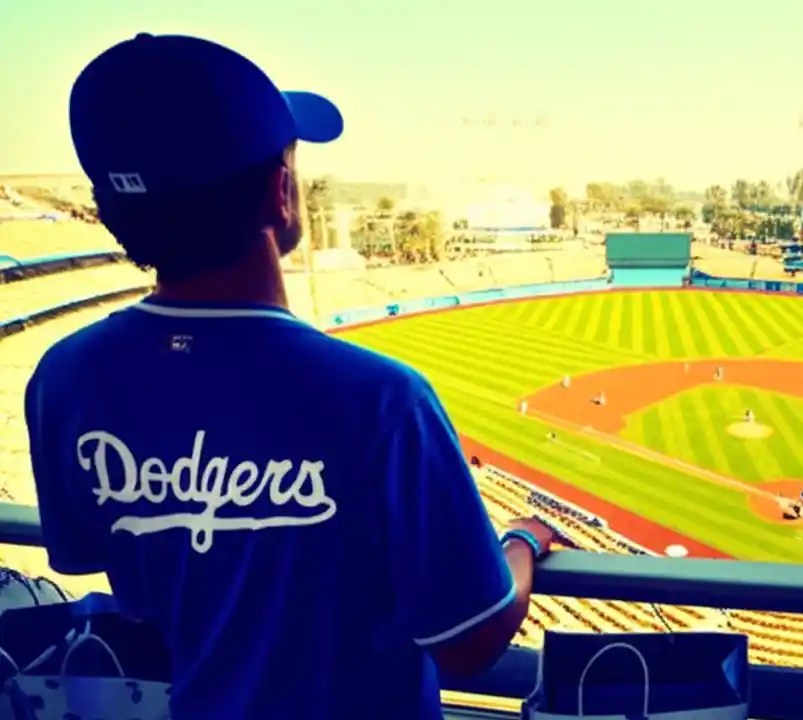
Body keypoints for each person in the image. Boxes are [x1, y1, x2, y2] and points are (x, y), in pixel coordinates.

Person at [25, 34, 557, 720]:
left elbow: (110, 570)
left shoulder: (64, 379)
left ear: (112, 213)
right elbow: (469, 641)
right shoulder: (381, 399)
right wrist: (521, 543)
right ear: (280, 192)